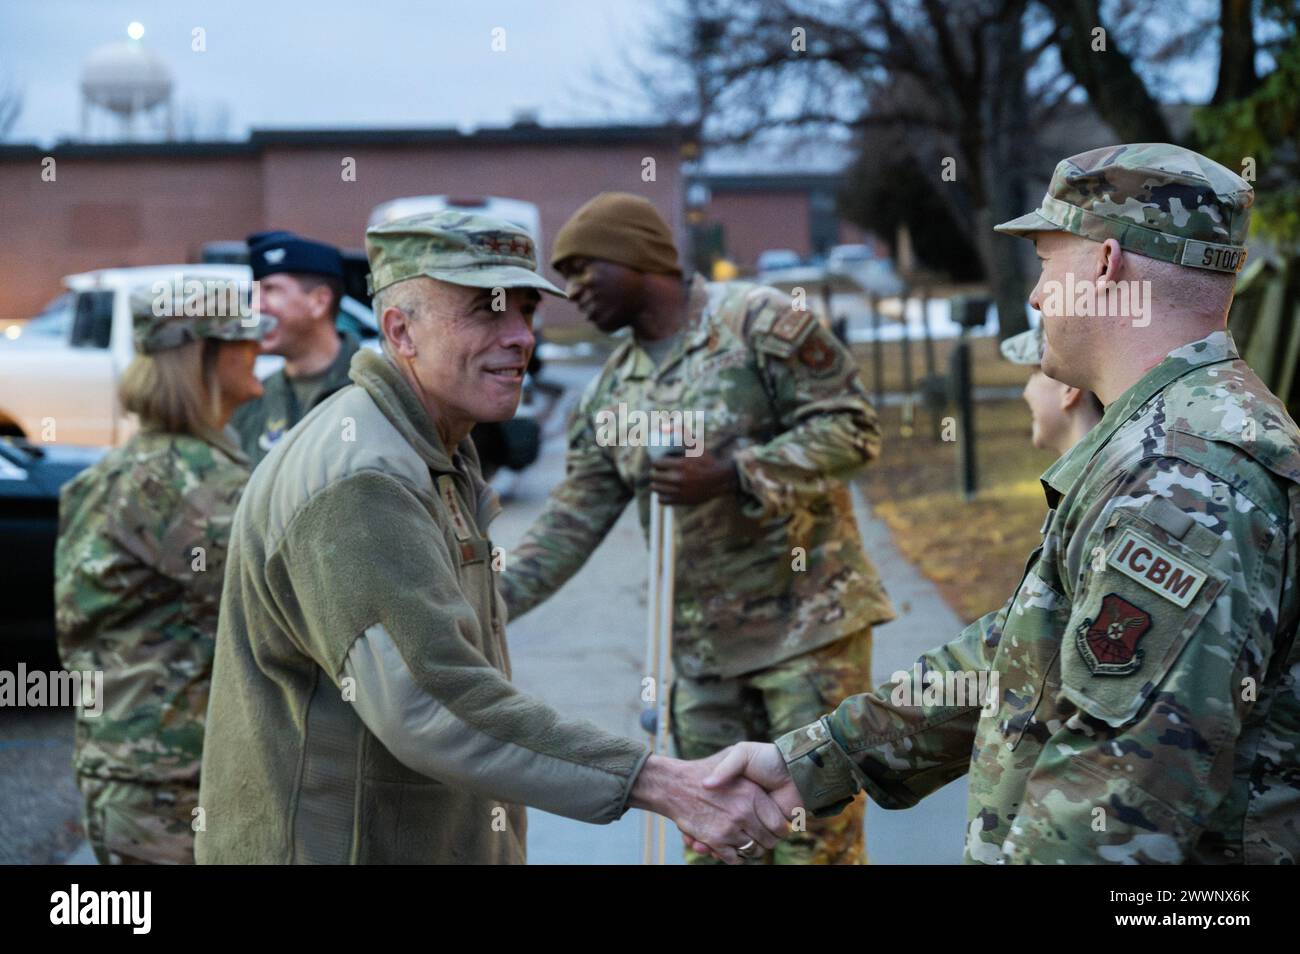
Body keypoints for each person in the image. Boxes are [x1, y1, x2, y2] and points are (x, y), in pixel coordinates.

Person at [705, 143, 1300, 865]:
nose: (1036, 296)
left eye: (1048, 264)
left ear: (1106, 264)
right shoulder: (1165, 437)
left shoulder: (1189, 474)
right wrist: (817, 760)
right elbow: (1031, 647)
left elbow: (1111, 807)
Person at [195, 210, 796, 865]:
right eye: (486, 311)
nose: (520, 338)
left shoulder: (428, 447)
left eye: (527, 312)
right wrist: (661, 781)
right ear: (400, 330)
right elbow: (434, 703)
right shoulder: (364, 474)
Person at [498, 192, 894, 864]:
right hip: (701, 660)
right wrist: (475, 602)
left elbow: (853, 429)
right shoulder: (609, 394)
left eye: (583, 268)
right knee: (717, 842)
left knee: (812, 842)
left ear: (638, 258)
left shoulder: (760, 322)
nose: (571, 290)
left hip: (808, 635)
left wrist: (739, 470)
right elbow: (569, 522)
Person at [54, 274, 264, 864]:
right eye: (244, 338)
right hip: (173, 789)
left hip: (139, 775)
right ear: (206, 354)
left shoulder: (140, 466)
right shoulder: (188, 480)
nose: (260, 349)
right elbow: (287, 605)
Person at [231, 231, 359, 466]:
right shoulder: (250, 403)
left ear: (319, 302)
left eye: (270, 290)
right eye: (255, 292)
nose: (255, 307)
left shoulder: (374, 391)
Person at [1002, 325, 1102, 456]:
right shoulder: (1120, 469)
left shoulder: (1100, 475)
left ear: (1070, 389)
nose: (1025, 393)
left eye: (1036, 371)